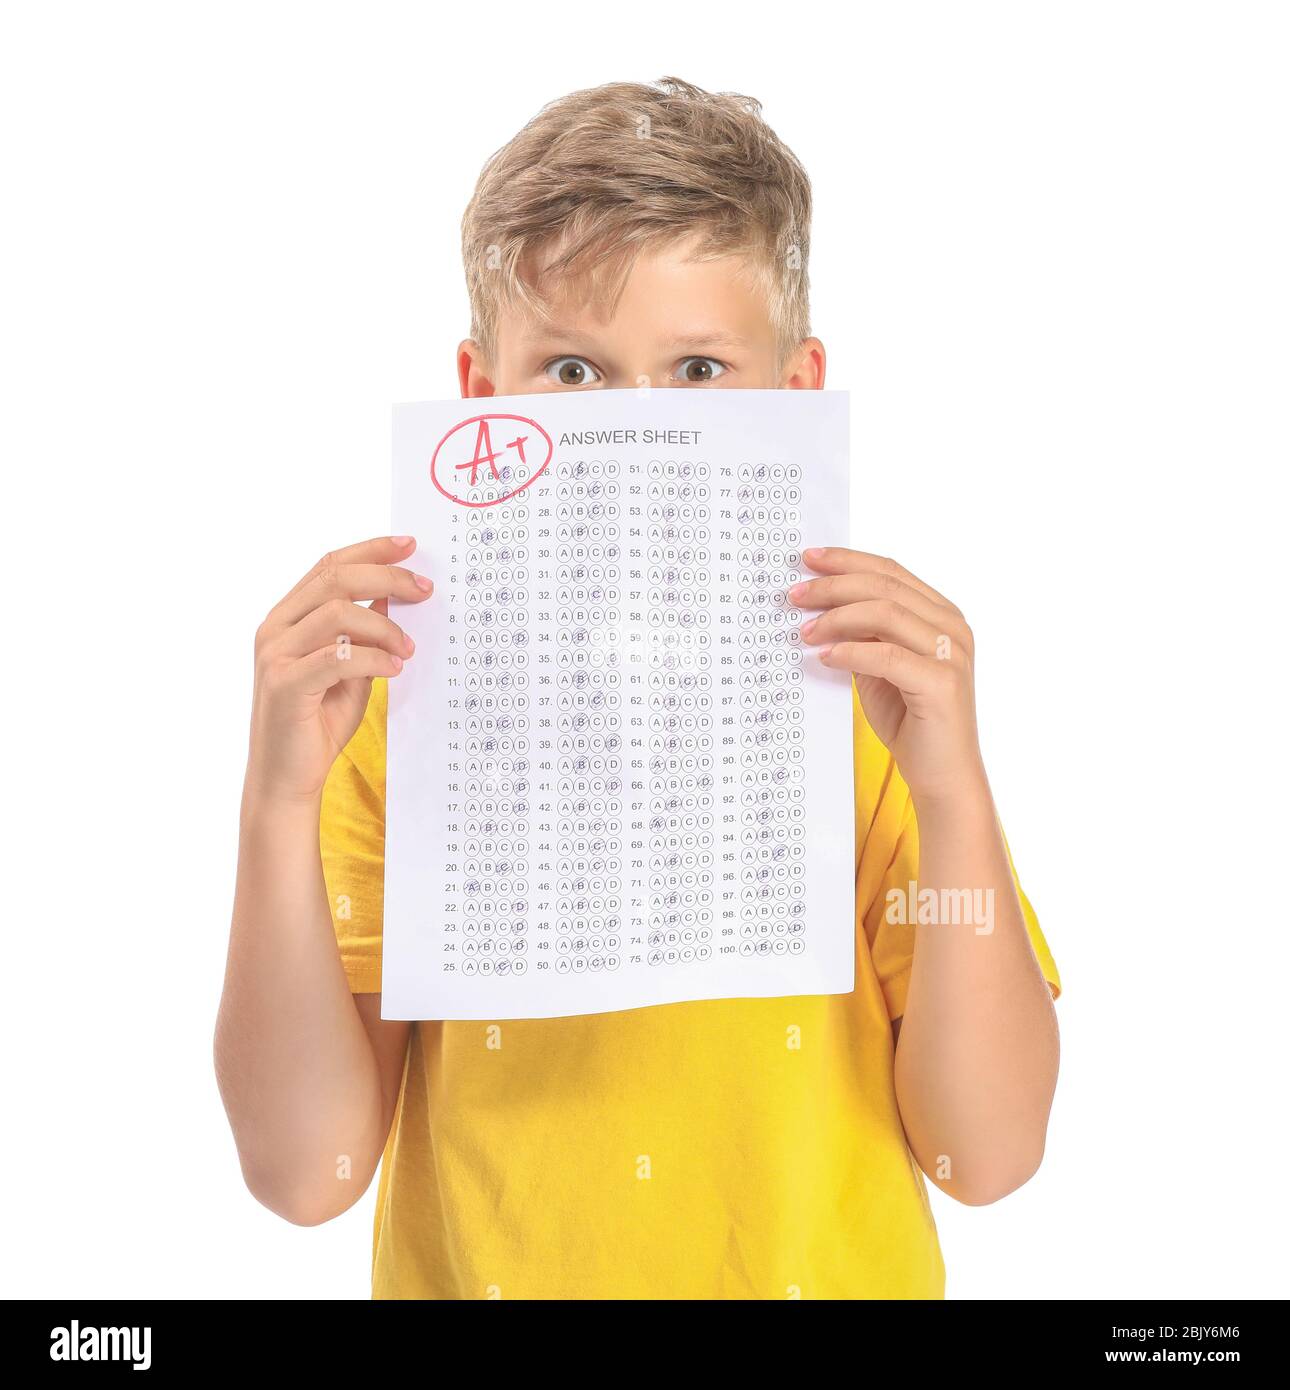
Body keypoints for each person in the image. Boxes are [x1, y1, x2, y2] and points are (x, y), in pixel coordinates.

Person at [215, 76, 1061, 1299]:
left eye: (700, 369)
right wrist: (277, 804)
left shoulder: (869, 716)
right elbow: (306, 1173)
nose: (635, 431)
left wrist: (956, 791)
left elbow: (987, 1154)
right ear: (480, 394)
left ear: (796, 389)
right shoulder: (403, 718)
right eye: (572, 370)